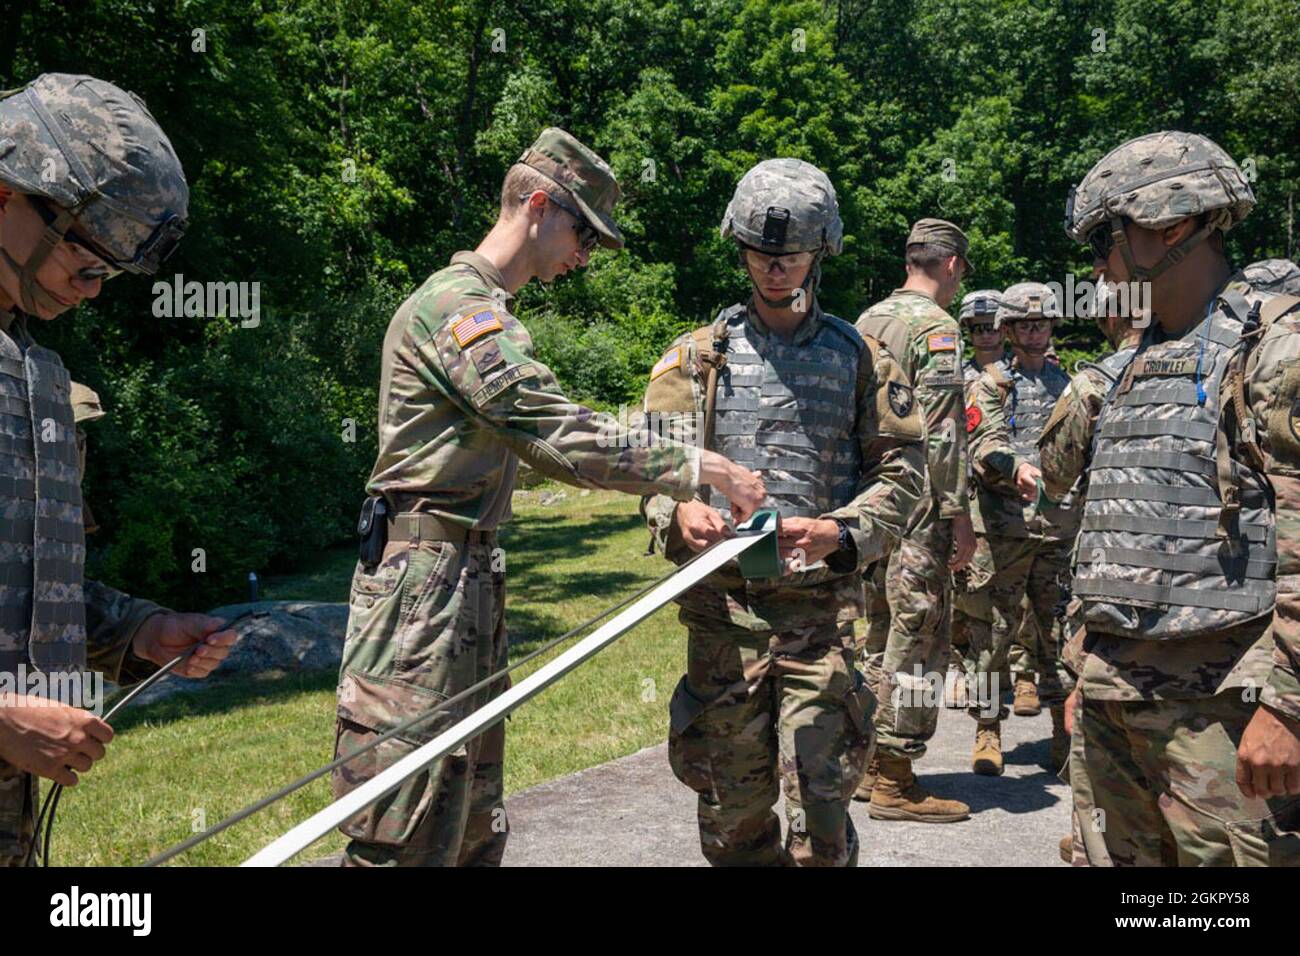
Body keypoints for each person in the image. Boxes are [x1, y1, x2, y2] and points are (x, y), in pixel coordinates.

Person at [331, 127, 765, 867]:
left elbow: (544, 444)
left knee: (468, 814)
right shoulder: (459, 311)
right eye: (584, 234)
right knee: (403, 818)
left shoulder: (486, 310)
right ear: (538, 205)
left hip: (461, 577)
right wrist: (698, 467)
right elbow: (559, 433)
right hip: (422, 589)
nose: (585, 257)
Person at [641, 158, 926, 865]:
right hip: (724, 621)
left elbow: (904, 474)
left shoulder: (859, 358)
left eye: (791, 255)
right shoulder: (696, 359)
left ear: (819, 250)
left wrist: (841, 531)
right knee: (734, 819)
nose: (776, 270)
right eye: (763, 255)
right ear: (741, 250)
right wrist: (676, 513)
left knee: (822, 819)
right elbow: (651, 468)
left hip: (818, 618)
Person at [0, 73, 239, 866]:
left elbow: (36, 589)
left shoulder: (37, 376)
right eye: (87, 256)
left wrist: (141, 632)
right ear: (7, 196)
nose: (93, 290)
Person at [1061, 130, 1300, 865]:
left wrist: (1287, 705)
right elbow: (1105, 525)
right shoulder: (1131, 363)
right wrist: (1083, 667)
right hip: (1113, 701)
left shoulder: (1274, 351)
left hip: (1225, 713)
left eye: (1106, 235)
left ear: (1168, 226)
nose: (1096, 262)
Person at [852, 219, 974, 823]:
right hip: (919, 504)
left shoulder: (864, 322)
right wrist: (958, 515)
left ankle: (867, 760)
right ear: (950, 266)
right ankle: (894, 779)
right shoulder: (938, 329)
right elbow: (946, 432)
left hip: (867, 505)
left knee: (876, 629)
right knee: (920, 634)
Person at [962, 282, 1077, 775]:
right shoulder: (989, 383)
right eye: (1024, 324)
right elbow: (983, 440)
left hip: (1056, 529)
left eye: (1042, 323)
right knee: (993, 635)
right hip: (1002, 527)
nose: (1034, 332)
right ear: (1007, 330)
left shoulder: (1068, 385)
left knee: (1058, 633)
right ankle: (988, 728)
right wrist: (1016, 468)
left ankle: (1062, 731)